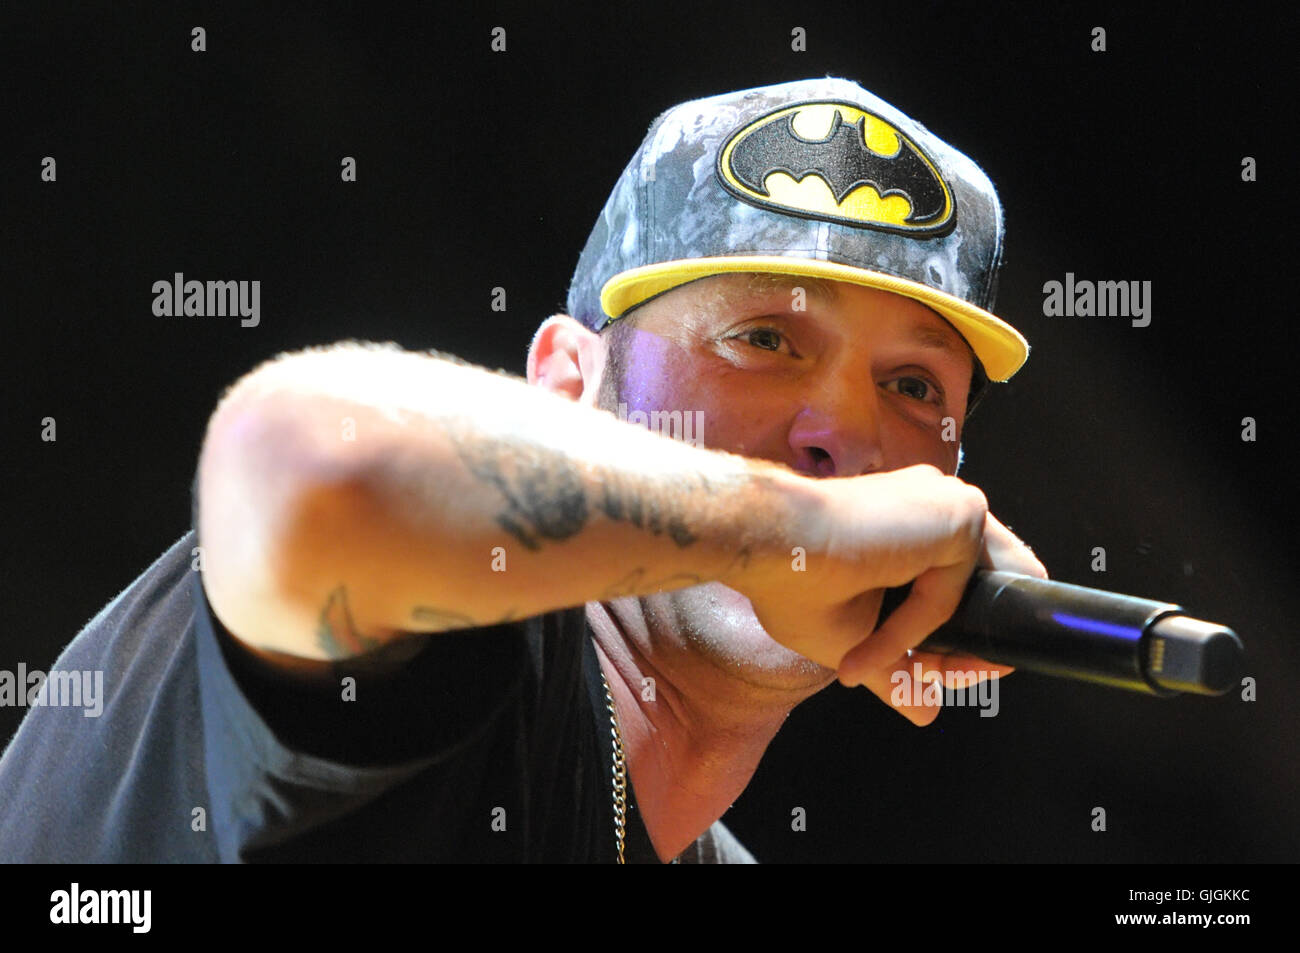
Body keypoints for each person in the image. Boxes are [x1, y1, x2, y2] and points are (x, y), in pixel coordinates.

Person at [0, 77, 1046, 863]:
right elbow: (299, 458)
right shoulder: (477, 640)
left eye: (914, 386)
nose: (841, 435)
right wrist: (783, 528)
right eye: (764, 339)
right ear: (562, 386)